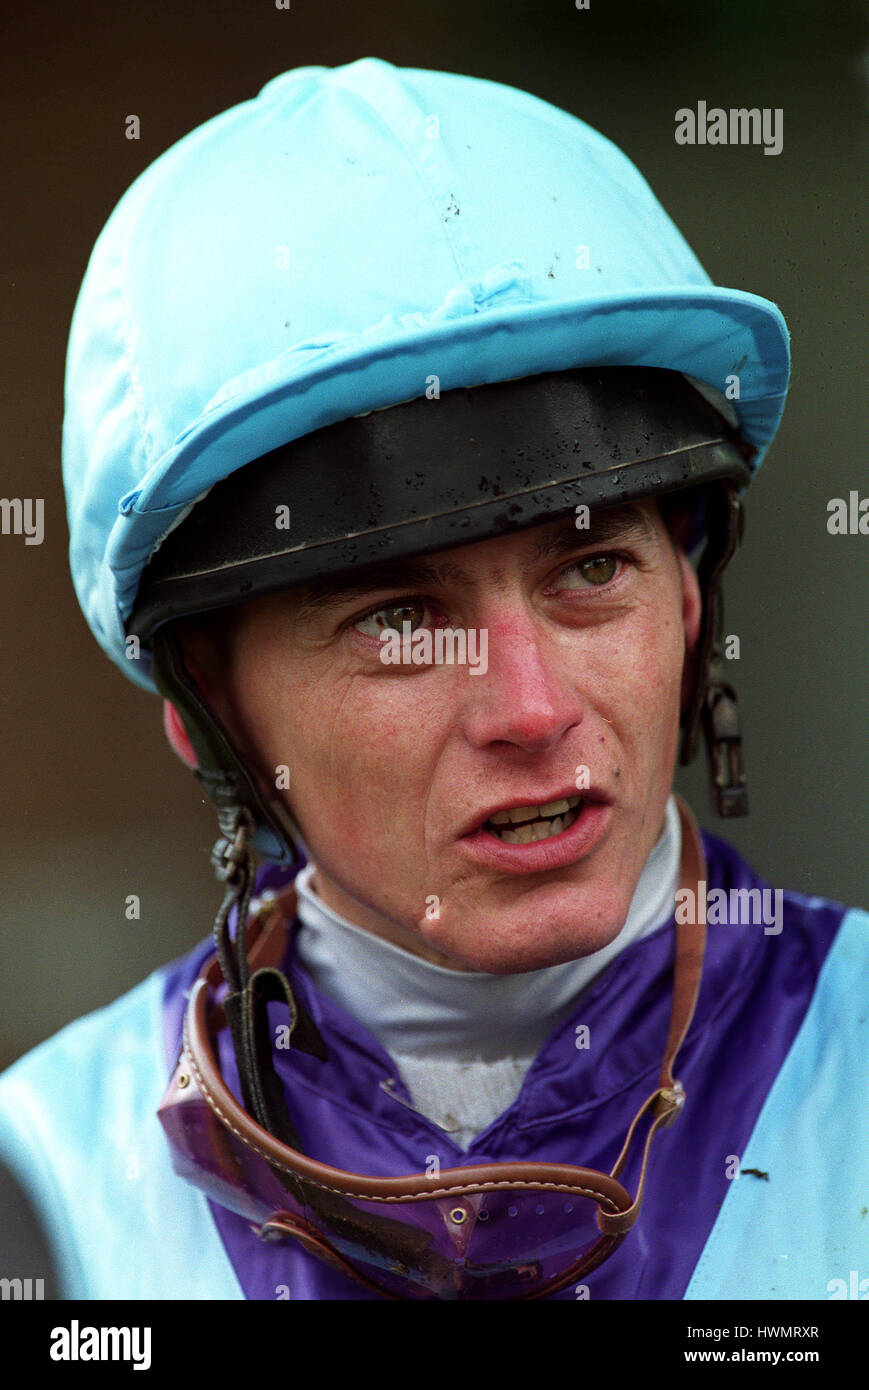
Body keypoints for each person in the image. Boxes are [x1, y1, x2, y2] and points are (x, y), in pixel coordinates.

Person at [0, 57, 865, 1302]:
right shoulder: (49, 1203)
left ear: (685, 595)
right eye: (400, 618)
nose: (531, 707)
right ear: (203, 710)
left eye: (588, 571)